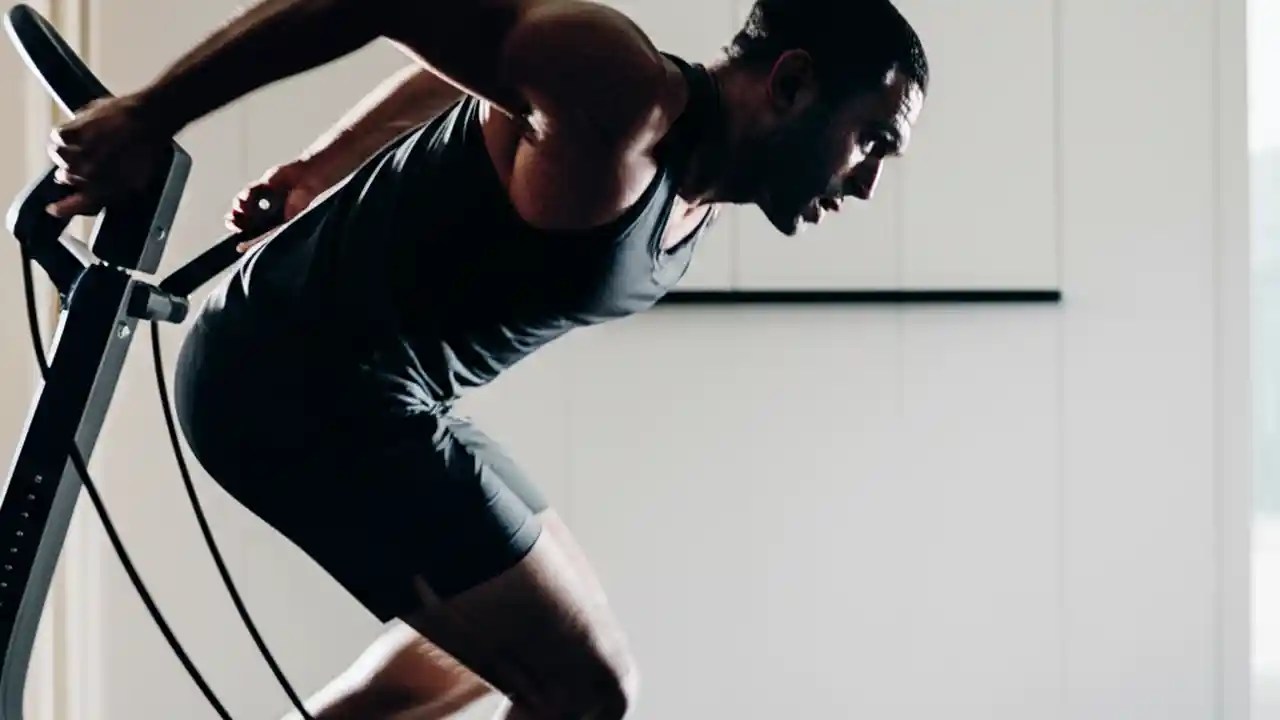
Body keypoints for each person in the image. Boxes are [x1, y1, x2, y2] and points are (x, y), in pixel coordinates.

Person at [44, 0, 928, 716]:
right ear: (794, 82)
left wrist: (326, 163)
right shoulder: (621, 94)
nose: (869, 183)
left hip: (390, 404)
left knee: (491, 651)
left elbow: (477, 74)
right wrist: (150, 113)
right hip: (292, 388)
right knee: (586, 690)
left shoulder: (694, 186)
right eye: (872, 140)